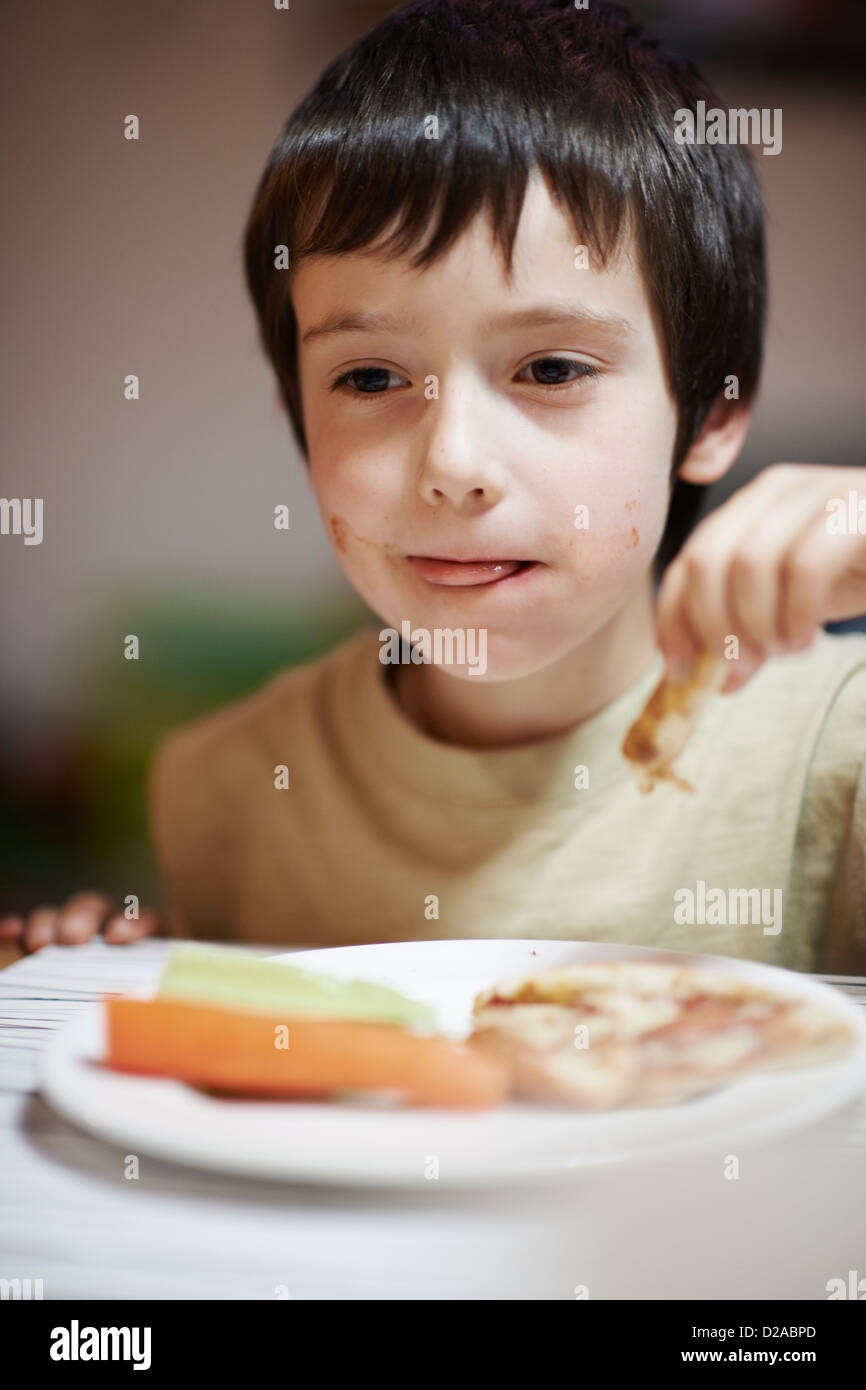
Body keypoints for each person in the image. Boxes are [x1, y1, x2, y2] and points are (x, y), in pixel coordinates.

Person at [5, 0, 866, 971]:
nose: (452, 464)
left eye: (549, 369)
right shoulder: (226, 784)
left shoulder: (835, 753)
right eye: (369, 378)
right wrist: (94, 969)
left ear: (710, 413)